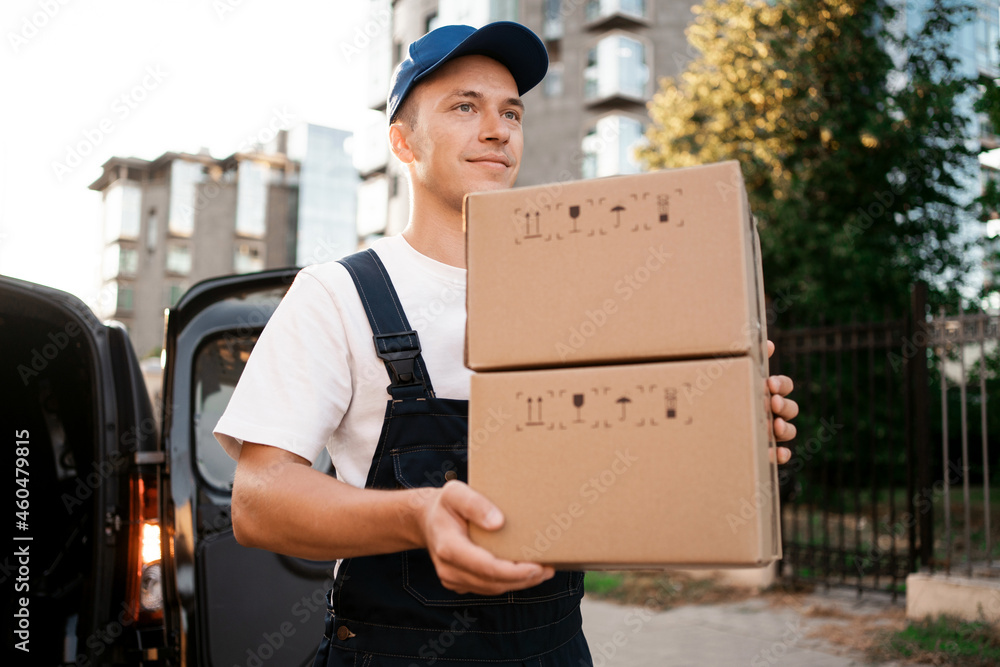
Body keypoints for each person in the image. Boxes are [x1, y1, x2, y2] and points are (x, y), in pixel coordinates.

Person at [214, 21, 799, 667]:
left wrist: (722, 434)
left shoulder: (579, 298)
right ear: (403, 142)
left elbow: (619, 466)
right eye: (465, 107)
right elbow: (259, 499)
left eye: (511, 112)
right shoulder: (337, 293)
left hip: (556, 649)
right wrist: (418, 515)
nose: (498, 129)